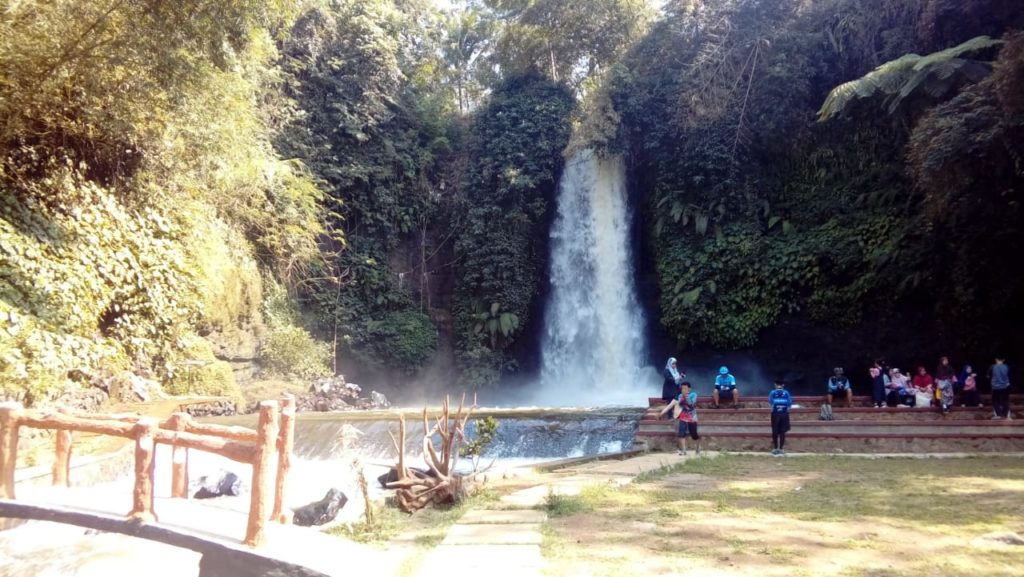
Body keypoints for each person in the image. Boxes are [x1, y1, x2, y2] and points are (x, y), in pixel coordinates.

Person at [658, 381, 702, 455]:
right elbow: (680, 404)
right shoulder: (680, 396)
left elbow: (691, 405)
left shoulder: (693, 395)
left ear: (689, 389)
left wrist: (687, 397)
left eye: (685, 388)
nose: (683, 390)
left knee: (694, 434)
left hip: (692, 417)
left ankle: (698, 447)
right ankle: (684, 450)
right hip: (683, 417)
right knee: (681, 434)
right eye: (682, 388)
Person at [769, 379, 793, 455]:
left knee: (775, 431)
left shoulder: (772, 392)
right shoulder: (786, 393)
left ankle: (776, 448)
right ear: (783, 385)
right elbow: (789, 403)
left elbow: (770, 401)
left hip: (775, 413)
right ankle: (781, 449)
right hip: (784, 413)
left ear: (775, 385)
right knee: (782, 431)